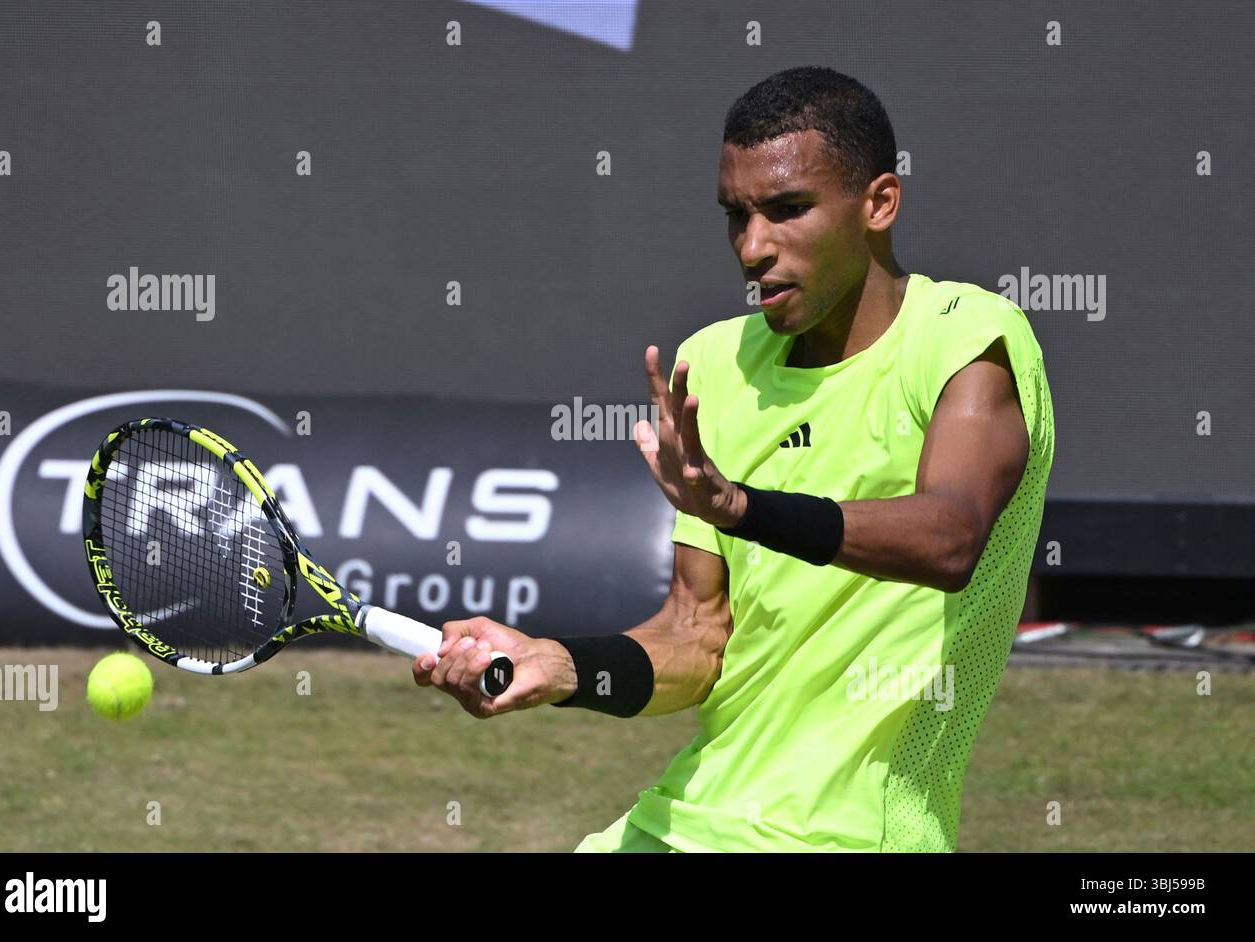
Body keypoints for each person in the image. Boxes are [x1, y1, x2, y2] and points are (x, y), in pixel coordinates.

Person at [412, 65, 1054, 852]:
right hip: (682, 819)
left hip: (849, 839)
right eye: (736, 216)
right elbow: (696, 638)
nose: (753, 248)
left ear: (880, 202)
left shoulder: (967, 337)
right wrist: (559, 665)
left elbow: (950, 540)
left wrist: (744, 508)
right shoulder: (713, 364)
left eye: (788, 211)